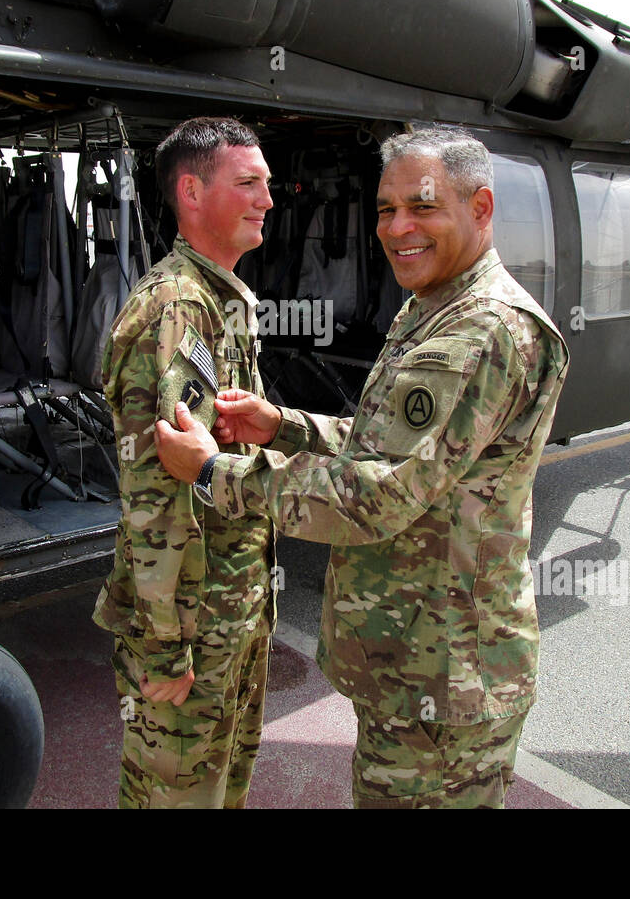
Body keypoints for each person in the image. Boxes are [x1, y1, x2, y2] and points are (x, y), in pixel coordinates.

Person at [156, 127, 568, 808]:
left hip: (443, 681)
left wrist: (211, 472)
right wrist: (283, 423)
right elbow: (389, 442)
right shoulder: (434, 307)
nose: (398, 227)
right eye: (385, 209)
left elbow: (371, 497)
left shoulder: (478, 331)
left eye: (423, 206)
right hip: (417, 668)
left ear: (481, 207)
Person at [93, 116, 276, 808]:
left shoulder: (216, 300)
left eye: (266, 183)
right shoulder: (178, 307)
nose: (267, 198)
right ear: (193, 192)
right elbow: (159, 486)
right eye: (248, 183)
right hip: (193, 631)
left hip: (229, 614)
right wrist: (167, 644)